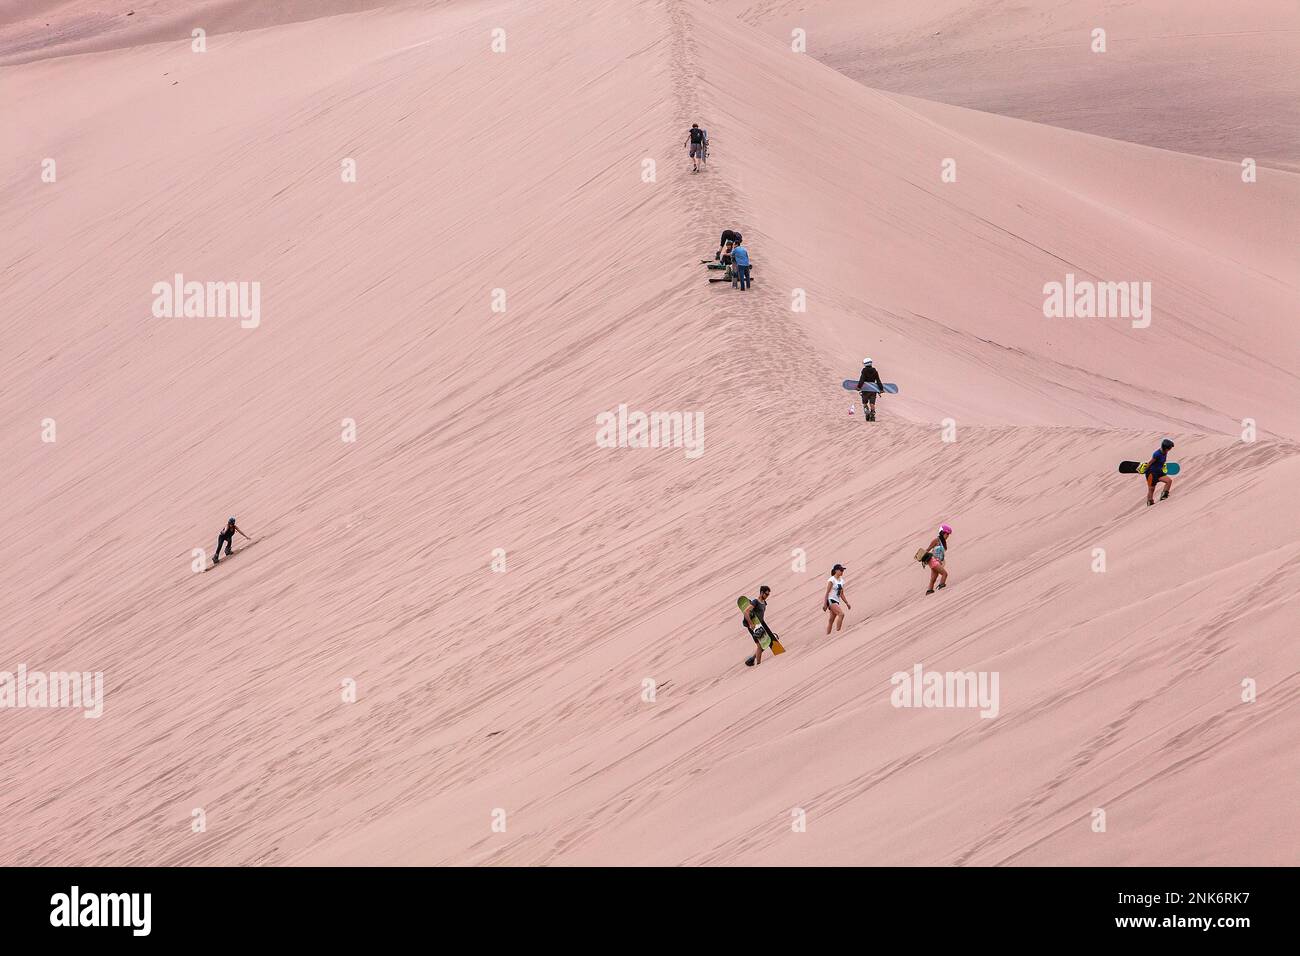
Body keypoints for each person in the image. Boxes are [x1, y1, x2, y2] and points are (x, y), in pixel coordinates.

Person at [743, 585, 778, 666]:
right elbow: (746, 612)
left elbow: (760, 616)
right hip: (754, 627)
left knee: (764, 644)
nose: (767, 596)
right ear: (761, 592)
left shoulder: (764, 603)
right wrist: (751, 624)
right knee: (760, 645)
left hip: (760, 626)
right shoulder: (755, 602)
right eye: (766, 594)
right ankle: (758, 665)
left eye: (768, 594)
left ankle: (751, 660)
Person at [1146, 438, 1175, 505]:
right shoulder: (1157, 454)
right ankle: (1150, 502)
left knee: (1169, 481)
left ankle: (1164, 496)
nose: (1170, 449)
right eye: (1170, 448)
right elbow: (1150, 463)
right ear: (1166, 448)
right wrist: (1145, 469)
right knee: (1151, 489)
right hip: (1151, 473)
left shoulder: (1165, 452)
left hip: (1159, 472)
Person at [925, 524, 951, 594]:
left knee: (933, 579)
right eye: (947, 534)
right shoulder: (936, 540)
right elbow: (928, 549)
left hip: (938, 562)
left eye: (948, 534)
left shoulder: (943, 542)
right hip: (933, 561)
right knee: (944, 574)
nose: (948, 536)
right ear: (942, 533)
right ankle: (942, 591)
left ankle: (929, 592)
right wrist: (923, 556)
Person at [823, 564, 850, 633]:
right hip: (831, 600)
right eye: (841, 570)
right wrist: (825, 604)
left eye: (843, 570)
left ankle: (828, 635)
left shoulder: (842, 581)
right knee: (841, 614)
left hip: (836, 601)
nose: (842, 571)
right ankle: (839, 632)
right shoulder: (831, 580)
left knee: (831, 620)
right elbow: (827, 592)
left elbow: (841, 594)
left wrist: (847, 603)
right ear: (836, 570)